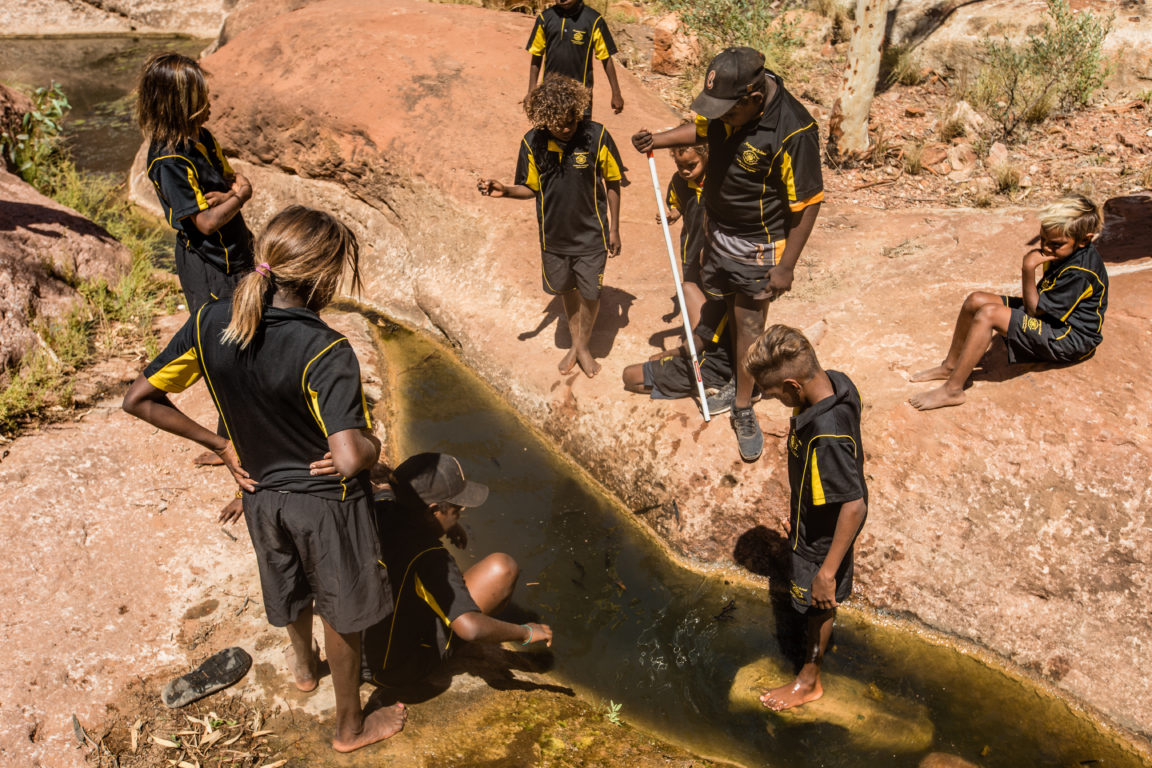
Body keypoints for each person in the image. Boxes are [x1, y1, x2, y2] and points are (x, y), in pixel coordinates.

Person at [122, 206, 405, 753]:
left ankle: (303, 667)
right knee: (343, 611)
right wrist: (372, 446)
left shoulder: (211, 320)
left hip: (259, 496)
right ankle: (351, 728)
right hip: (325, 504)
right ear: (325, 278)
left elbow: (139, 399)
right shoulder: (326, 349)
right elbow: (349, 459)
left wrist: (221, 445)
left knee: (290, 585)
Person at [632, 47, 824, 463]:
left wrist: (786, 266)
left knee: (750, 324)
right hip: (716, 232)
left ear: (753, 98)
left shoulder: (793, 130)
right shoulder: (730, 106)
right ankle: (725, 368)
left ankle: (742, 404)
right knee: (720, 307)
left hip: (756, 247)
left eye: (728, 111)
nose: (721, 118)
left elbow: (807, 204)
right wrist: (658, 140)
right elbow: (700, 128)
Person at [136, 52, 255, 478]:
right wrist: (238, 197)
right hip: (209, 267)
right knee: (222, 347)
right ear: (176, 105)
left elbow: (226, 180)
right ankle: (236, 441)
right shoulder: (168, 161)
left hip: (236, 253)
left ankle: (238, 431)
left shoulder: (200, 137)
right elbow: (205, 222)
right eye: (201, 99)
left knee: (245, 339)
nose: (209, 106)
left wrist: (228, 195)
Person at [745, 325, 867, 711]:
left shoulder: (826, 435)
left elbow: (854, 505)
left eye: (773, 392)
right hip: (810, 521)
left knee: (817, 605)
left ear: (794, 387)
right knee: (811, 600)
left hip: (821, 541)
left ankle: (809, 680)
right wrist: (801, 515)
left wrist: (826, 571)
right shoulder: (836, 383)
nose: (771, 398)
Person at [359, 453, 554, 688]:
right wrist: (525, 633)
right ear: (432, 512)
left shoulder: (377, 508)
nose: (460, 512)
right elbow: (470, 628)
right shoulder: (431, 556)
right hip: (395, 669)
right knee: (503, 569)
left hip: (357, 651)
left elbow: (388, 492)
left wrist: (448, 525)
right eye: (457, 509)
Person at [478, 75, 623, 378]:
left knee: (591, 294)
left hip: (592, 234)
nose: (566, 129)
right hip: (554, 236)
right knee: (567, 289)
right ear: (544, 121)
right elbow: (530, 188)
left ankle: (581, 346)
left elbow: (612, 181)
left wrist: (614, 229)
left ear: (578, 112)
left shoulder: (596, 136)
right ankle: (577, 344)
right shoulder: (533, 143)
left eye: (571, 121)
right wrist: (505, 191)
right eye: (558, 125)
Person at [909, 194, 1107, 411]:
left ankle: (953, 390)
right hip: (1049, 316)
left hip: (1069, 339)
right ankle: (950, 366)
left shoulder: (1080, 273)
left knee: (989, 314)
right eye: (1043, 239)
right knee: (976, 300)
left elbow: (1033, 311)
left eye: (1055, 244)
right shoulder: (1064, 252)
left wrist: (1028, 269)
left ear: (1084, 240)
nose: (1046, 248)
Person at [622, 297, 737, 415]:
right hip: (728, 367)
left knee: (629, 375)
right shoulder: (741, 302)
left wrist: (665, 354)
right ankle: (688, 386)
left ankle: (696, 387)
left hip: (708, 369)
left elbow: (693, 348)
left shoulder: (717, 304)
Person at [526, 0, 624, 117]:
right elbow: (536, 55)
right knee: (547, 126)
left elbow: (606, 58)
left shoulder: (594, 20)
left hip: (581, 95)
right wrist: (531, 91)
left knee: (581, 127)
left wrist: (616, 93)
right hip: (549, 93)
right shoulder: (545, 18)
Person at [663, 142, 709, 332]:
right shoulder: (679, 181)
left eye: (691, 165)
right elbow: (677, 204)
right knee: (691, 283)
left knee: (711, 285)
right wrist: (673, 214)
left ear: (706, 156)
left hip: (714, 245)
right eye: (680, 165)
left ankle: (711, 327)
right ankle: (695, 329)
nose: (685, 171)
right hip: (691, 244)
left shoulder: (716, 178)